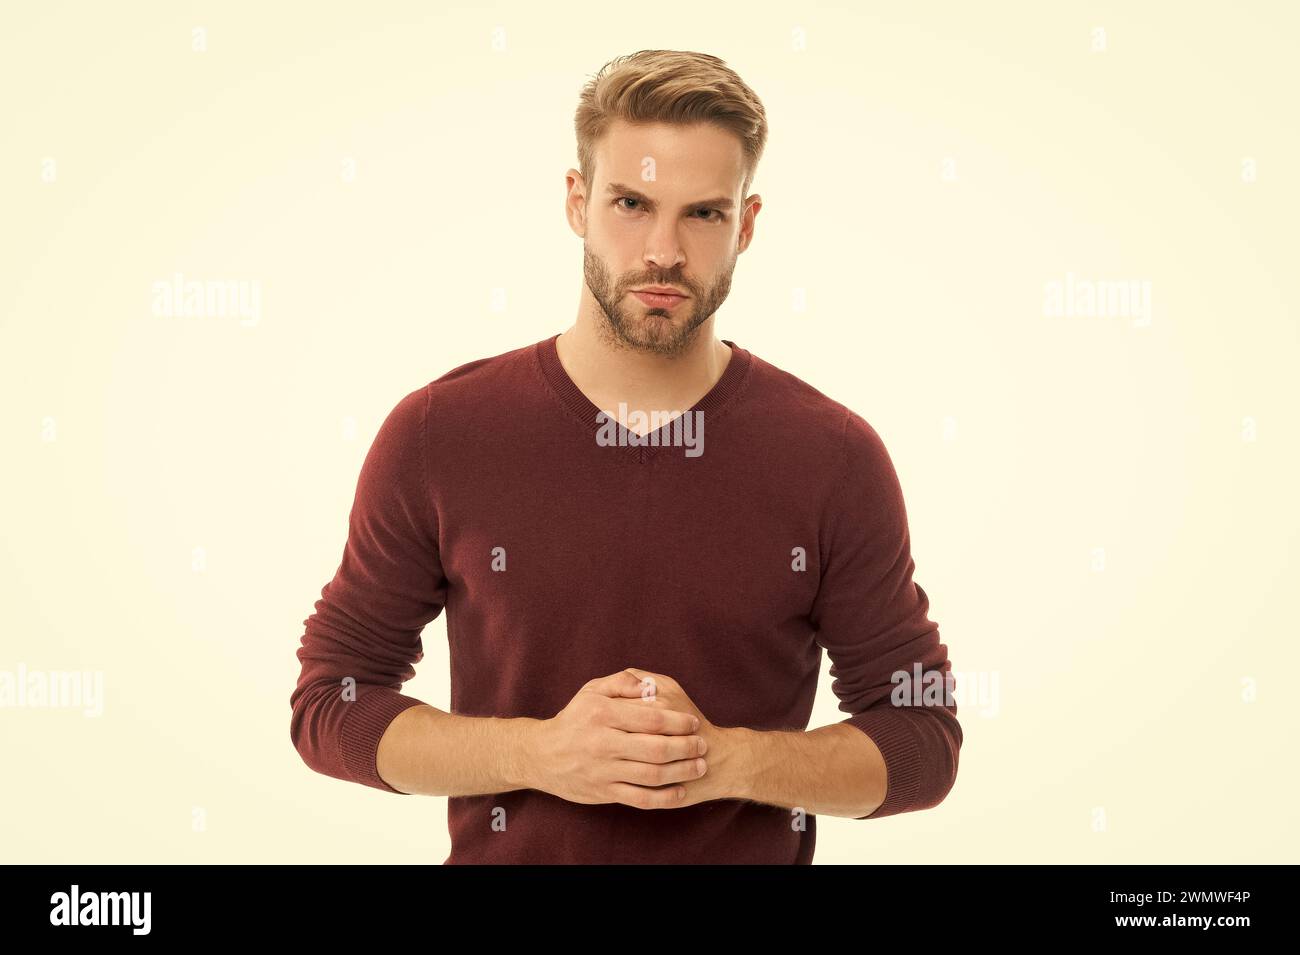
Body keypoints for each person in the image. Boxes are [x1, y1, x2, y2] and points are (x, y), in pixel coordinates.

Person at [290, 49, 961, 864]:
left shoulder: (833, 455)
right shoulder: (441, 432)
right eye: (632, 203)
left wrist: (722, 760)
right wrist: (538, 753)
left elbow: (922, 737)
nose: (663, 251)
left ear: (746, 224)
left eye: (703, 214)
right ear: (578, 202)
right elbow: (331, 702)